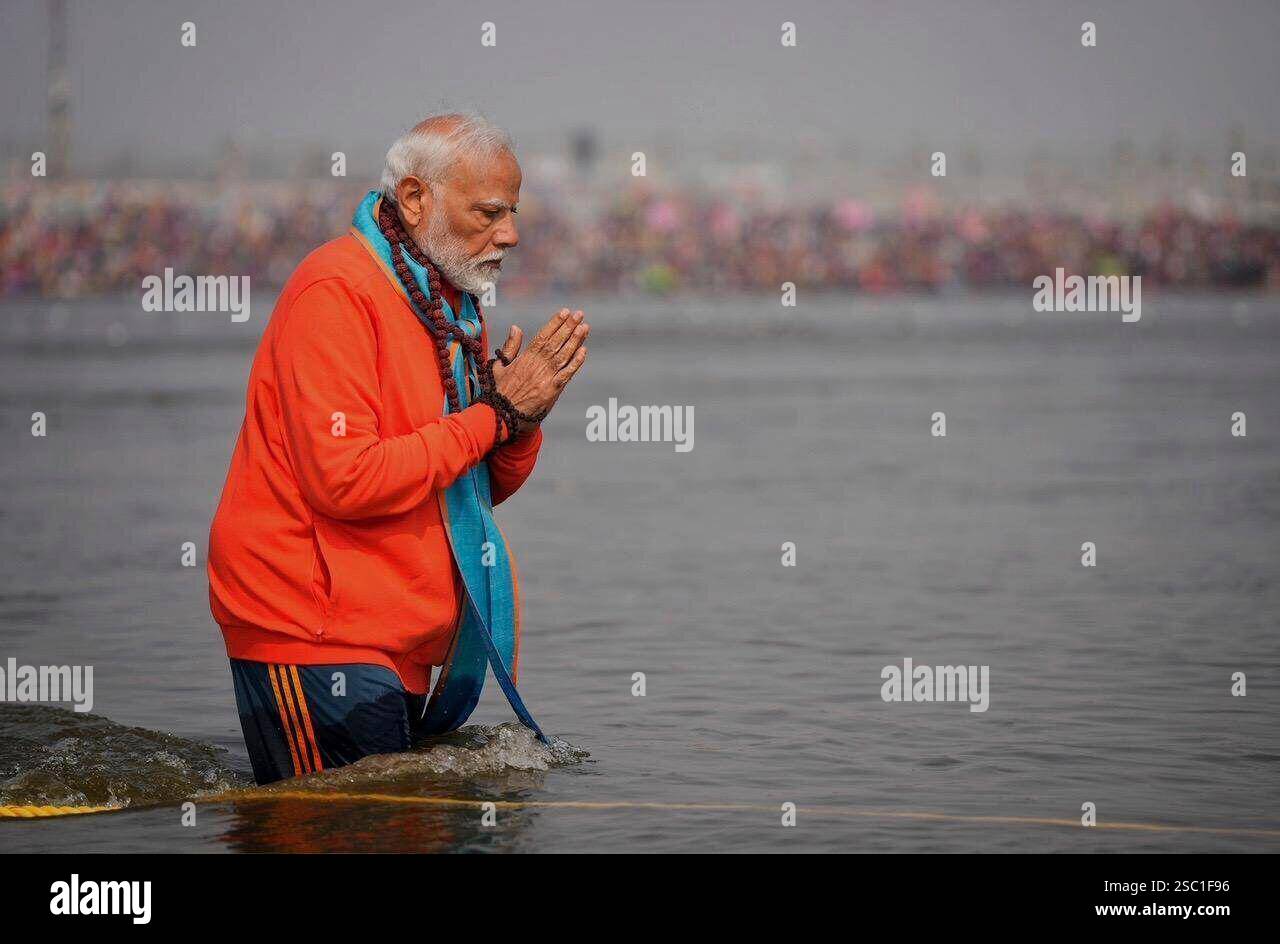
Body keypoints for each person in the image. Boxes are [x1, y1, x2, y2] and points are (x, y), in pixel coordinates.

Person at [207, 113, 589, 784]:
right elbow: (346, 480)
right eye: (491, 213)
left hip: (396, 640)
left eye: (514, 213)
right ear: (415, 200)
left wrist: (517, 425)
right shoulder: (338, 291)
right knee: (353, 828)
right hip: (312, 632)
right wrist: (494, 415)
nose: (512, 234)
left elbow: (460, 488)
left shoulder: (442, 302)